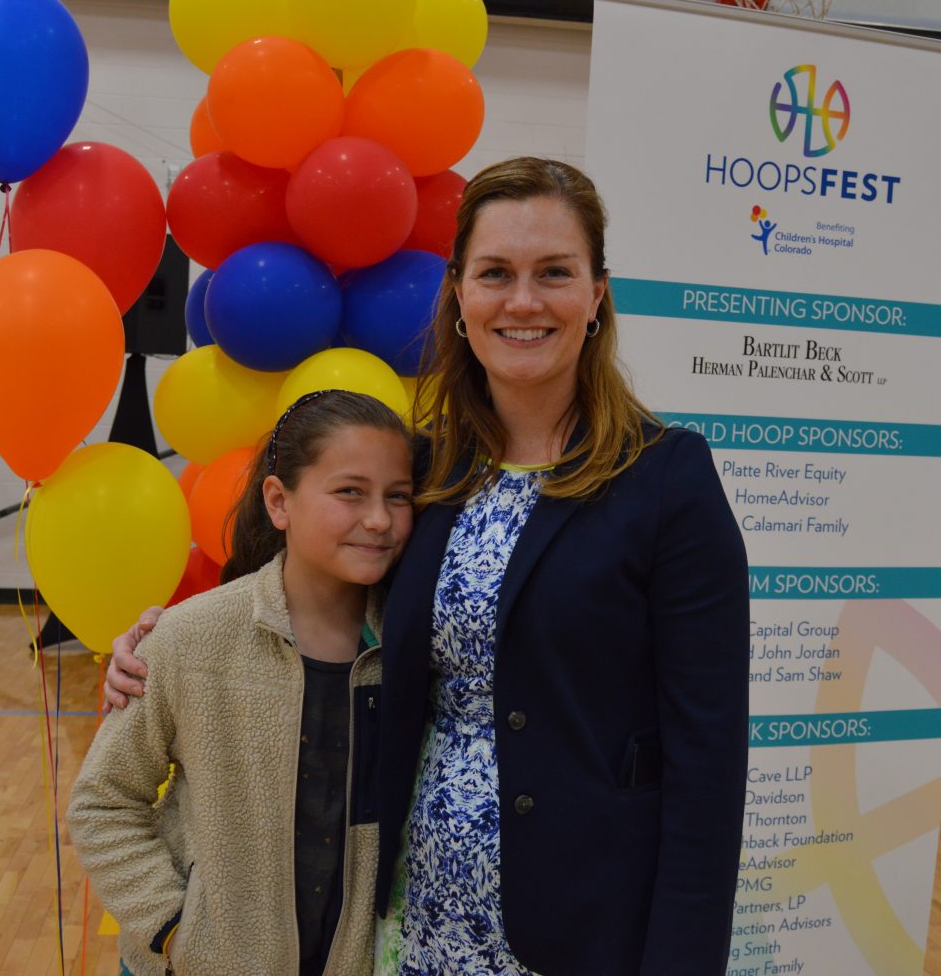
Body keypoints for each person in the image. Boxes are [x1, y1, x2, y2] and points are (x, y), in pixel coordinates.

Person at [106, 157, 750, 975]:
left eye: (555, 272)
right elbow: (290, 589)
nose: (523, 300)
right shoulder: (426, 471)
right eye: (495, 273)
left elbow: (708, 758)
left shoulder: (666, 479)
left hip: (587, 926)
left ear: (596, 296)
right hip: (415, 917)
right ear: (459, 294)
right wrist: (160, 642)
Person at [69, 390, 415, 976]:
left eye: (398, 496)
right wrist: (174, 930)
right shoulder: (191, 638)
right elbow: (104, 800)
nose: (379, 519)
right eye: (350, 491)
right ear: (279, 502)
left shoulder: (413, 649)